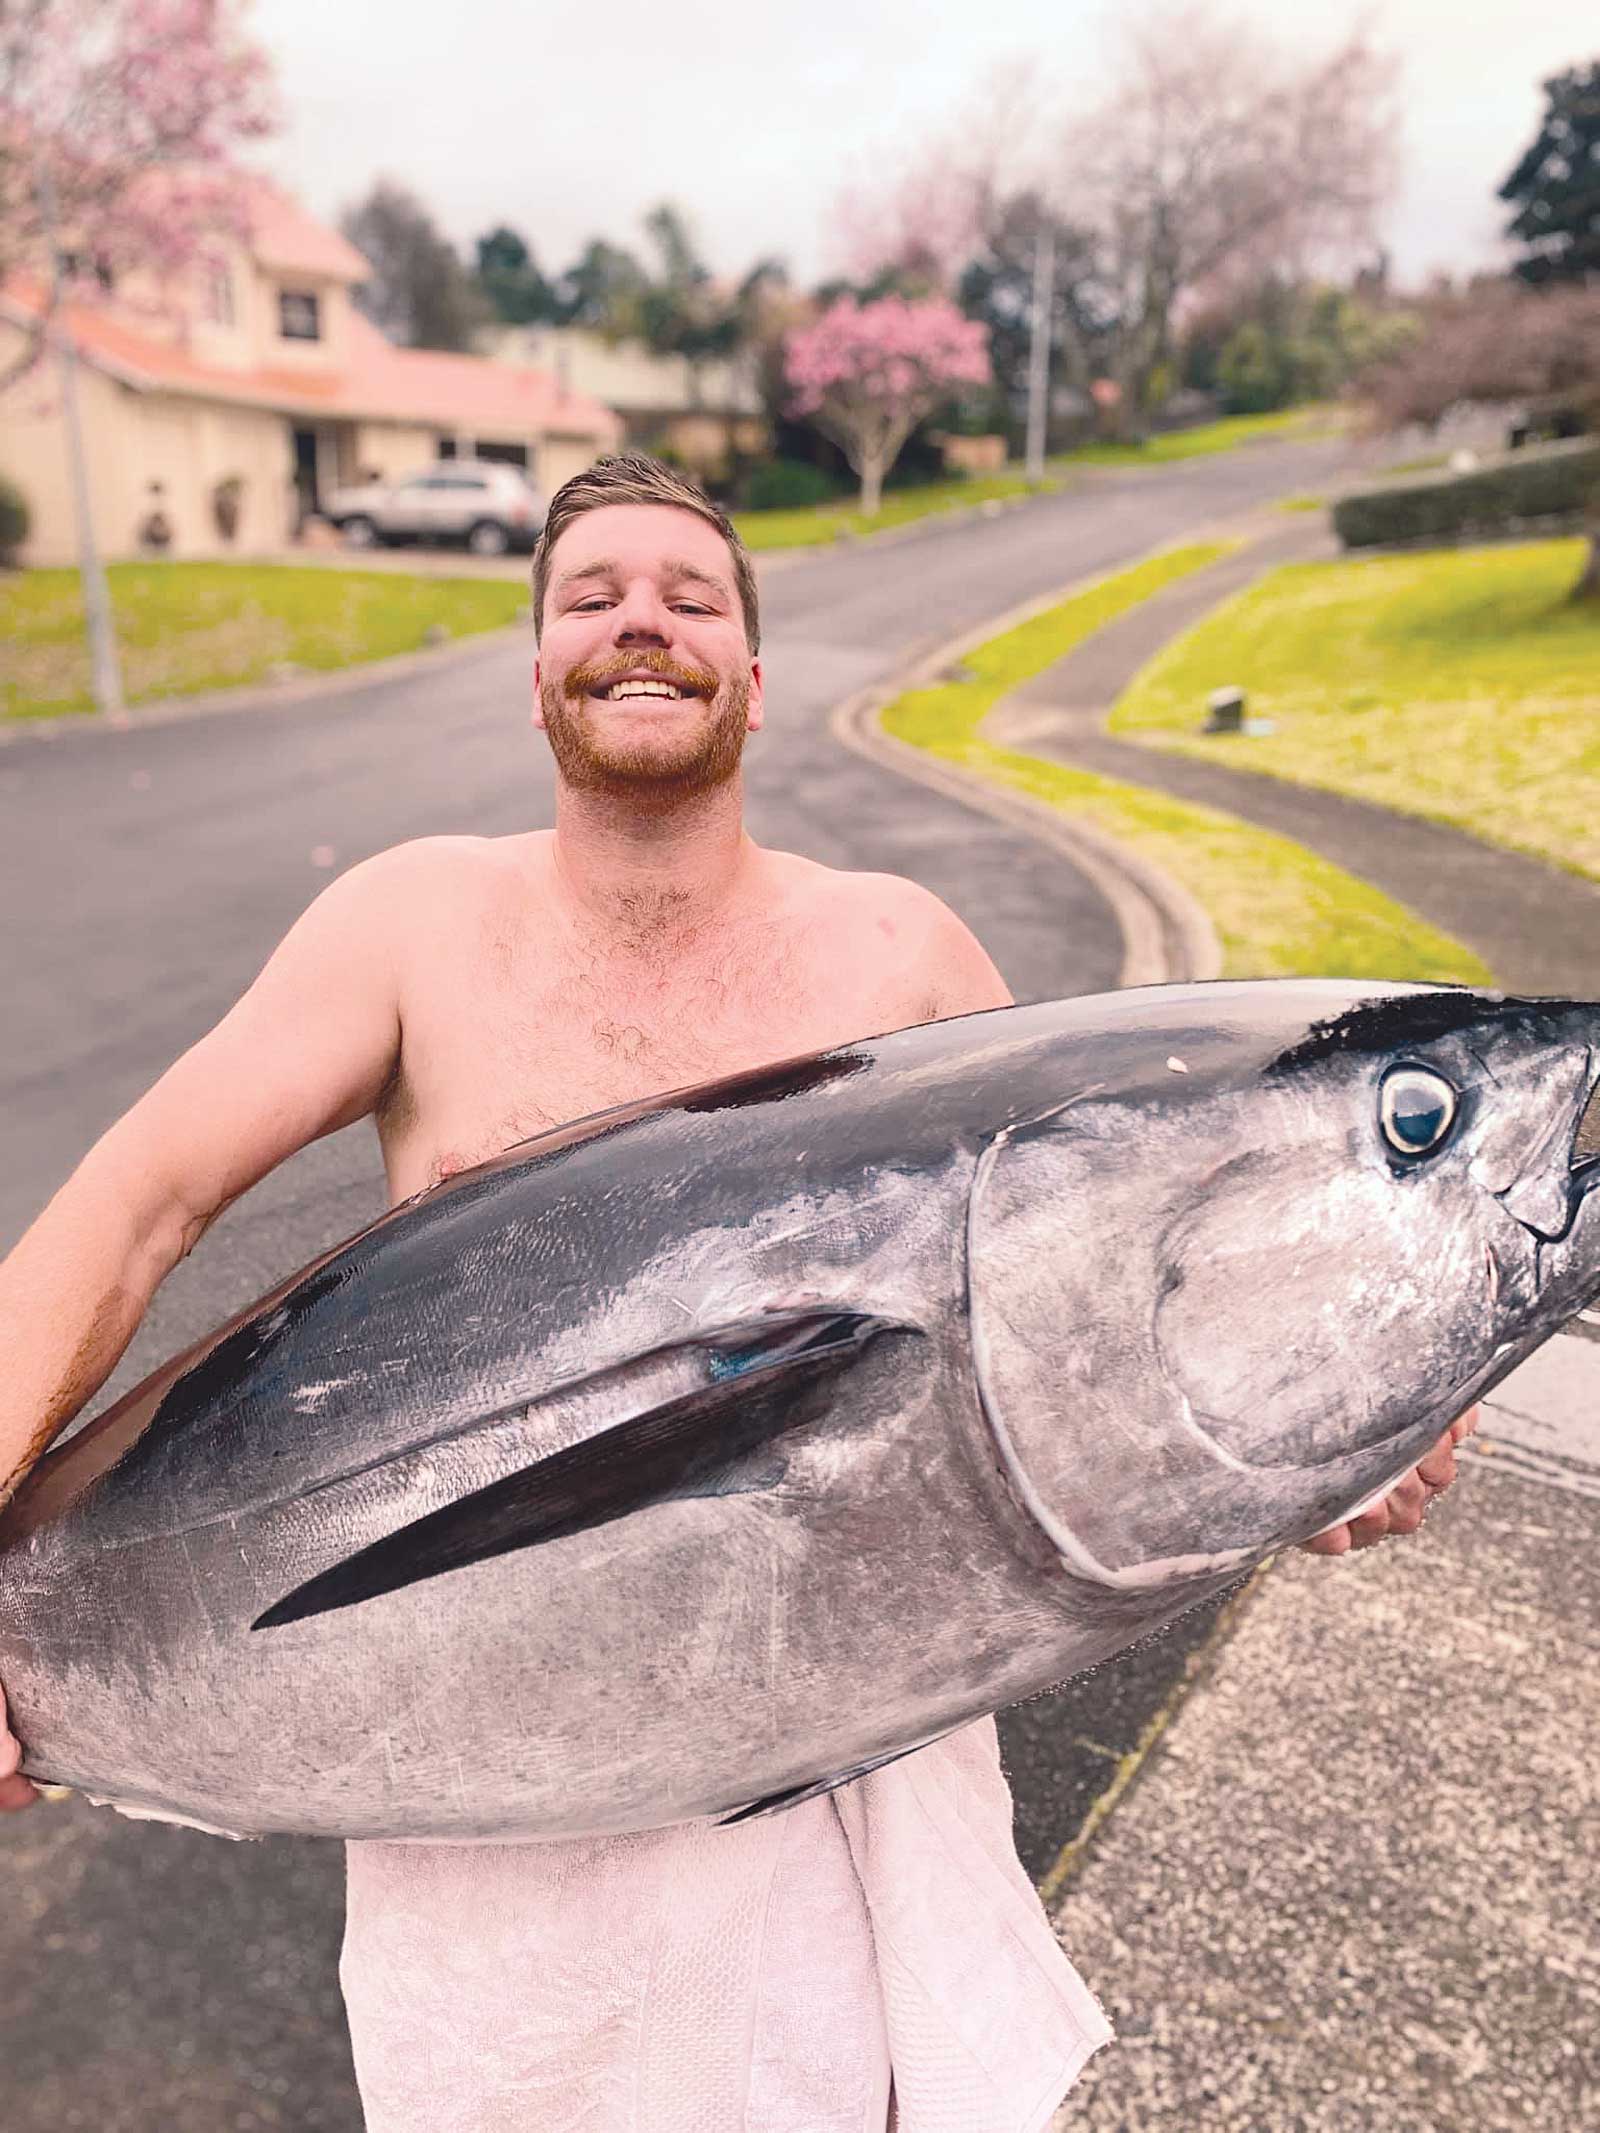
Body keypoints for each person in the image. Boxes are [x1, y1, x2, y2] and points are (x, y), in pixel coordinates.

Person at [0, 455, 1472, 2131]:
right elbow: (136, 1203)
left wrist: (1338, 1411)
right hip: (493, 1835)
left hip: (859, 1806)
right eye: (592, 596)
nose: (643, 621)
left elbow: (1084, 1318)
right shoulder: (410, 922)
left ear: (753, 682)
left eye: (693, 597)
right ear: (537, 669)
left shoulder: (902, 950)